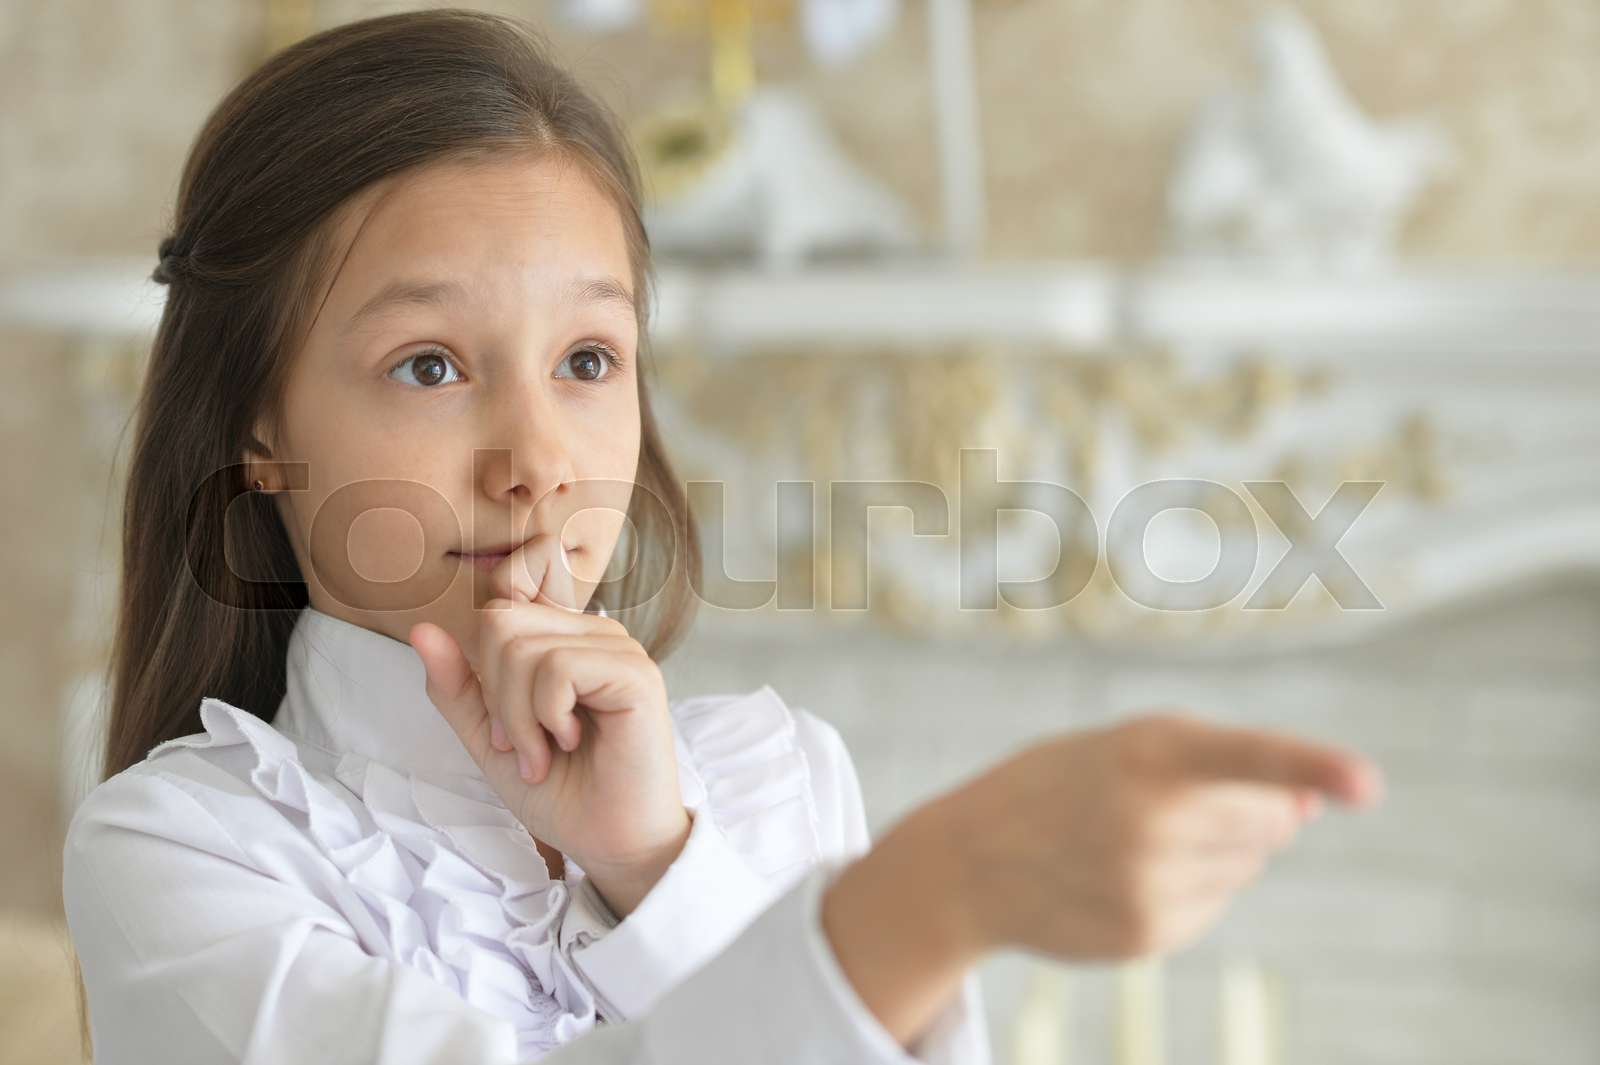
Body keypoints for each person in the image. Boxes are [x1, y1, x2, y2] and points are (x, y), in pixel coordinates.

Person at [61, 9, 1383, 1064]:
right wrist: (935, 891)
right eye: (428, 366)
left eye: (588, 356)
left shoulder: (774, 778)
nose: (535, 467)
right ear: (257, 424)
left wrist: (657, 861)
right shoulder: (182, 854)